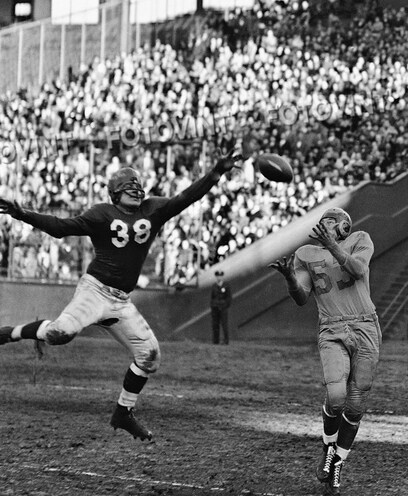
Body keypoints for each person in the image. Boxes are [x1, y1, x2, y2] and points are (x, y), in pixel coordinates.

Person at [0, 149, 244, 441]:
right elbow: (60, 228)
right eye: (129, 187)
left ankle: (123, 413)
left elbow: (187, 197)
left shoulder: (153, 209)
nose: (136, 191)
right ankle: (11, 332)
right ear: (115, 194)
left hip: (121, 300)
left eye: (138, 186)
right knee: (59, 334)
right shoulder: (102, 213)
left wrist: (216, 172)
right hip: (95, 290)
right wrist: (22, 213)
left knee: (150, 355)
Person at [270, 206, 379, 496]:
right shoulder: (306, 254)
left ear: (344, 226)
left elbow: (358, 269)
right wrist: (290, 279)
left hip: (366, 326)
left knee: (356, 404)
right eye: (322, 222)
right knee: (336, 397)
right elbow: (302, 298)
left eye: (330, 221)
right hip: (331, 328)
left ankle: (338, 463)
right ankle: (328, 446)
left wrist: (332, 244)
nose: (324, 225)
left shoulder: (360, 239)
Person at [210, 268, 233, 345]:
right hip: (215, 308)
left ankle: (226, 340)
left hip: (223, 308)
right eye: (217, 276)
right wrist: (213, 306)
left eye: (220, 276)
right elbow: (212, 297)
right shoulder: (214, 286)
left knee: (224, 324)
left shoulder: (226, 286)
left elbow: (229, 297)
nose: (219, 277)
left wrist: (225, 305)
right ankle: (215, 341)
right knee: (215, 325)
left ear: (222, 276)